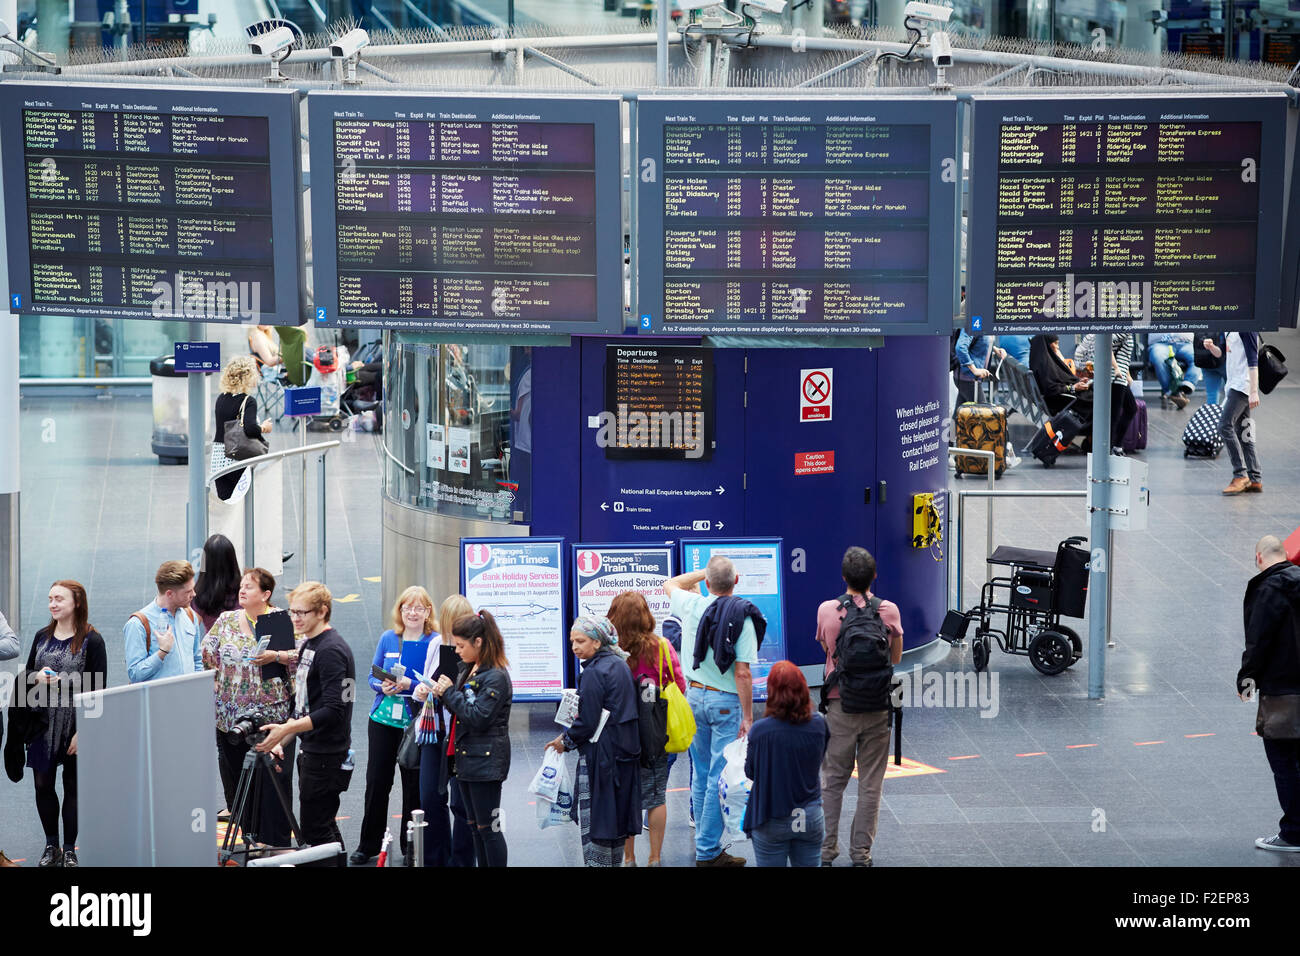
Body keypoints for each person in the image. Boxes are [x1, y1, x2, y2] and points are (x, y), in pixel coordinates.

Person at [664, 556, 764, 867]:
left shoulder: (693, 605)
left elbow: (670, 583)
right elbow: (743, 672)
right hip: (725, 703)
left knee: (701, 773)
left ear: (707, 584)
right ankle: (707, 851)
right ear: (736, 582)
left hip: (694, 698)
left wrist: (705, 572)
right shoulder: (743, 616)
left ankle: (705, 844)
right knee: (717, 777)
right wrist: (748, 716)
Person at [256, 582, 356, 867]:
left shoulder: (331, 650)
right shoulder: (311, 644)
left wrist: (287, 730)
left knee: (316, 829)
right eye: (292, 612)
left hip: (326, 755)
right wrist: (281, 738)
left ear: (322, 612)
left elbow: (335, 710)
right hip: (315, 750)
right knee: (322, 826)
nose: (295, 618)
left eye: (303, 612)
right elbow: (305, 704)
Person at [817, 546, 903, 867]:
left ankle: (825, 852)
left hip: (840, 707)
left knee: (833, 782)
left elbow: (828, 651)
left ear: (843, 577)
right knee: (870, 785)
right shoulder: (889, 611)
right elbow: (894, 658)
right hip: (878, 707)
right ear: (874, 577)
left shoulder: (828, 610)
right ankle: (861, 855)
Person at [201, 567, 297, 849]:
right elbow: (207, 652)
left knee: (273, 786)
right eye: (241, 586)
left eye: (250, 587)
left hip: (272, 719)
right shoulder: (227, 619)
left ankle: (276, 845)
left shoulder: (281, 621)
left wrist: (276, 656)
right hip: (230, 719)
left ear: (266, 594)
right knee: (239, 784)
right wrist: (217, 681)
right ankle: (249, 839)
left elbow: (302, 656)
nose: (242, 591)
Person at [23, 581, 107, 867]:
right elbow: (27, 675)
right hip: (43, 722)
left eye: (59, 599)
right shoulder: (41, 636)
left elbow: (98, 689)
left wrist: (85, 732)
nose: (52, 604)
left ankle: (69, 848)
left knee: (73, 786)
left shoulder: (92, 640)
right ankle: (51, 845)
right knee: (43, 784)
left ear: (77, 602)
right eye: (50, 599)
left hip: (74, 722)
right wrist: (37, 678)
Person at [546, 616, 641, 868]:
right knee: (616, 820)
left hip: (601, 755)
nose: (575, 647)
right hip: (624, 753)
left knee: (597, 819)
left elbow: (587, 721)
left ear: (597, 642)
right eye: (572, 642)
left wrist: (565, 741)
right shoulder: (620, 665)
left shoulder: (593, 672)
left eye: (581, 641)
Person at [351, 586, 436, 866]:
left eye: (418, 608)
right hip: (383, 719)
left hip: (415, 720)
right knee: (377, 782)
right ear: (399, 611)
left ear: (427, 612)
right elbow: (371, 675)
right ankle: (368, 844)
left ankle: (410, 846)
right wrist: (381, 685)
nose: (412, 612)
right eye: (407, 607)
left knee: (413, 785)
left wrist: (410, 685)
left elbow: (438, 682)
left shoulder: (434, 641)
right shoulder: (389, 638)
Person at [430, 610, 513, 868]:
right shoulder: (470, 668)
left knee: (488, 828)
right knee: (475, 826)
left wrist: (449, 693)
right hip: (469, 757)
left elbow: (478, 717)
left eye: (461, 645)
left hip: (485, 761)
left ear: (478, 642)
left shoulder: (496, 676)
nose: (456, 651)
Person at [607, 591, 684, 867]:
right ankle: (655, 857)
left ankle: (629, 857)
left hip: (621, 732)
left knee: (626, 796)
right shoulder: (662, 646)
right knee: (656, 795)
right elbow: (680, 685)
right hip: (656, 731)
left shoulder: (612, 651)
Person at [1237, 535, 1300, 852]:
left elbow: (1258, 641)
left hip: (1283, 691)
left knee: (1284, 761)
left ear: (1258, 557)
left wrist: (1246, 679)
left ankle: (1294, 833)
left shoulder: (1267, 589)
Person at [412, 594, 476, 867]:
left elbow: (472, 699)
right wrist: (421, 690)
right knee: (429, 796)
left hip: (458, 734)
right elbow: (424, 680)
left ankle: (460, 860)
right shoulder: (437, 643)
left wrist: (447, 692)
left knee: (461, 803)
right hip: (433, 729)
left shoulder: (473, 653)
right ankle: (436, 857)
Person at [744, 662, 828, 867]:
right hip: (809, 815)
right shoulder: (819, 723)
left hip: (771, 816)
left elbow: (751, 772)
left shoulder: (760, 730)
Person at [124, 560, 202, 683]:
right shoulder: (138, 624)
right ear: (170, 594)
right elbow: (135, 674)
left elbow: (197, 660)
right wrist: (162, 652)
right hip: (157, 701)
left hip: (188, 698)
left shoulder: (190, 616)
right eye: (188, 592)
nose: (194, 594)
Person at [1204, 332, 1262, 495]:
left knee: (1224, 426)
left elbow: (1253, 360)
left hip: (1242, 385)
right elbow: (1223, 353)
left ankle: (1240, 475)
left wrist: (1253, 391)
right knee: (1244, 431)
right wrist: (1212, 348)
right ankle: (1255, 477)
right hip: (1234, 384)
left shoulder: (1247, 328)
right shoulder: (1229, 327)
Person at [214, 356, 273, 502]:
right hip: (237, 458)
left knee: (226, 503)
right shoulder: (248, 401)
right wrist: (264, 428)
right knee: (243, 504)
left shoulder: (221, 398)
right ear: (248, 377)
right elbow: (250, 428)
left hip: (218, 457)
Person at [191, 533, 243, 635]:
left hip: (214, 648)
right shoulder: (242, 587)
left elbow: (190, 627)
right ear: (232, 560)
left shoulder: (200, 592)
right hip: (244, 647)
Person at [1147, 332, 1200, 410]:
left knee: (1198, 355)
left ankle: (1186, 386)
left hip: (1185, 343)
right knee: (1159, 357)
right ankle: (1174, 392)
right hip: (1160, 343)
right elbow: (1141, 322)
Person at [953, 330, 1006, 408]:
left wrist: (995, 349)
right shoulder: (974, 322)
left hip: (969, 379)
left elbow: (980, 341)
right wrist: (974, 370)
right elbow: (961, 347)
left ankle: (955, 420)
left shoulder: (985, 323)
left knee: (961, 415)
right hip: (968, 378)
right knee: (981, 413)